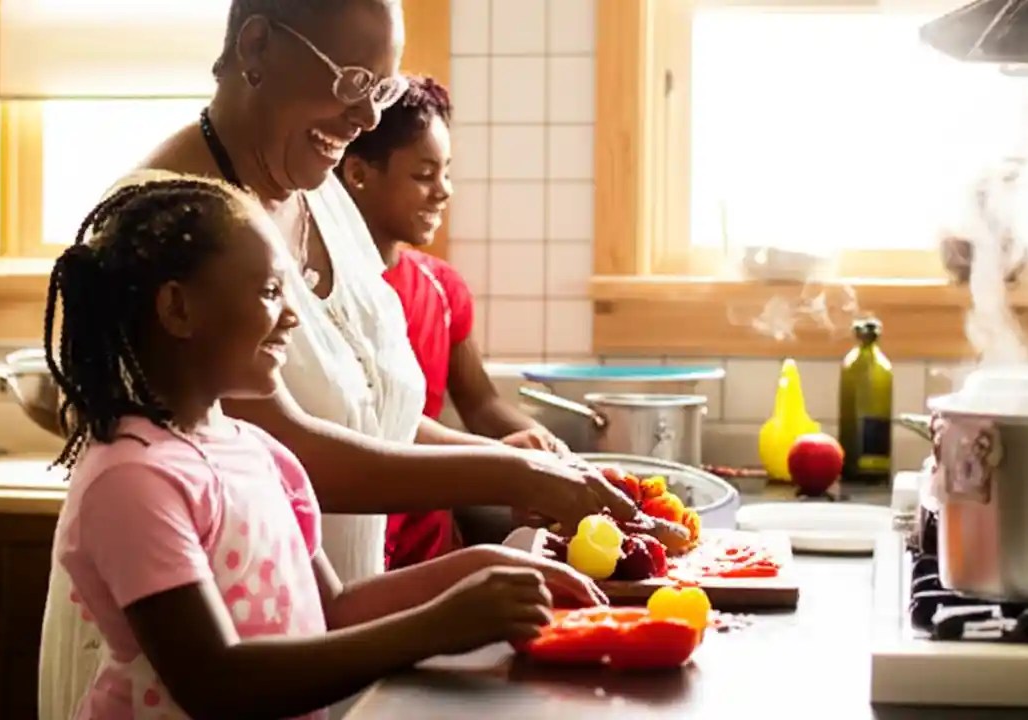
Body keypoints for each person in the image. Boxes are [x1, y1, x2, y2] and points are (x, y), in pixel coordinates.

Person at [38, 1, 653, 716]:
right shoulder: (174, 220)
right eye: (353, 79)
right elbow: (301, 445)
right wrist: (512, 473)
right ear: (258, 45)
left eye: (382, 90)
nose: (366, 119)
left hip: (323, 641)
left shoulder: (318, 188)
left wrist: (519, 498)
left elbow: (370, 408)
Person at [44, 175, 604, 719]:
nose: (291, 315)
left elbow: (333, 611)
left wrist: (484, 568)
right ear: (178, 309)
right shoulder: (134, 477)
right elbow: (216, 681)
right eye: (269, 291)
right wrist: (441, 624)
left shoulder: (259, 451)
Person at [336, 76, 571, 569]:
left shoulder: (442, 288)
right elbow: (383, 423)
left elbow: (482, 403)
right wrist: (513, 468)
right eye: (424, 174)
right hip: (356, 556)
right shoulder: (326, 294)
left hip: (435, 557)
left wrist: (550, 454)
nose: (444, 192)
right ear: (358, 174)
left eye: (446, 172)